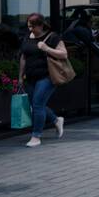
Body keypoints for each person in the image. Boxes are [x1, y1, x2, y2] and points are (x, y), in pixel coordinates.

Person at [18, 13, 69, 147]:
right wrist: (20, 76)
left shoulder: (52, 37)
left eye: (33, 27)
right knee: (35, 104)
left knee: (37, 105)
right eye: (28, 26)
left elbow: (64, 54)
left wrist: (46, 48)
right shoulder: (27, 37)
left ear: (41, 25)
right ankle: (56, 120)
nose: (30, 29)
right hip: (30, 77)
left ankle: (36, 136)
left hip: (47, 76)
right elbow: (23, 57)